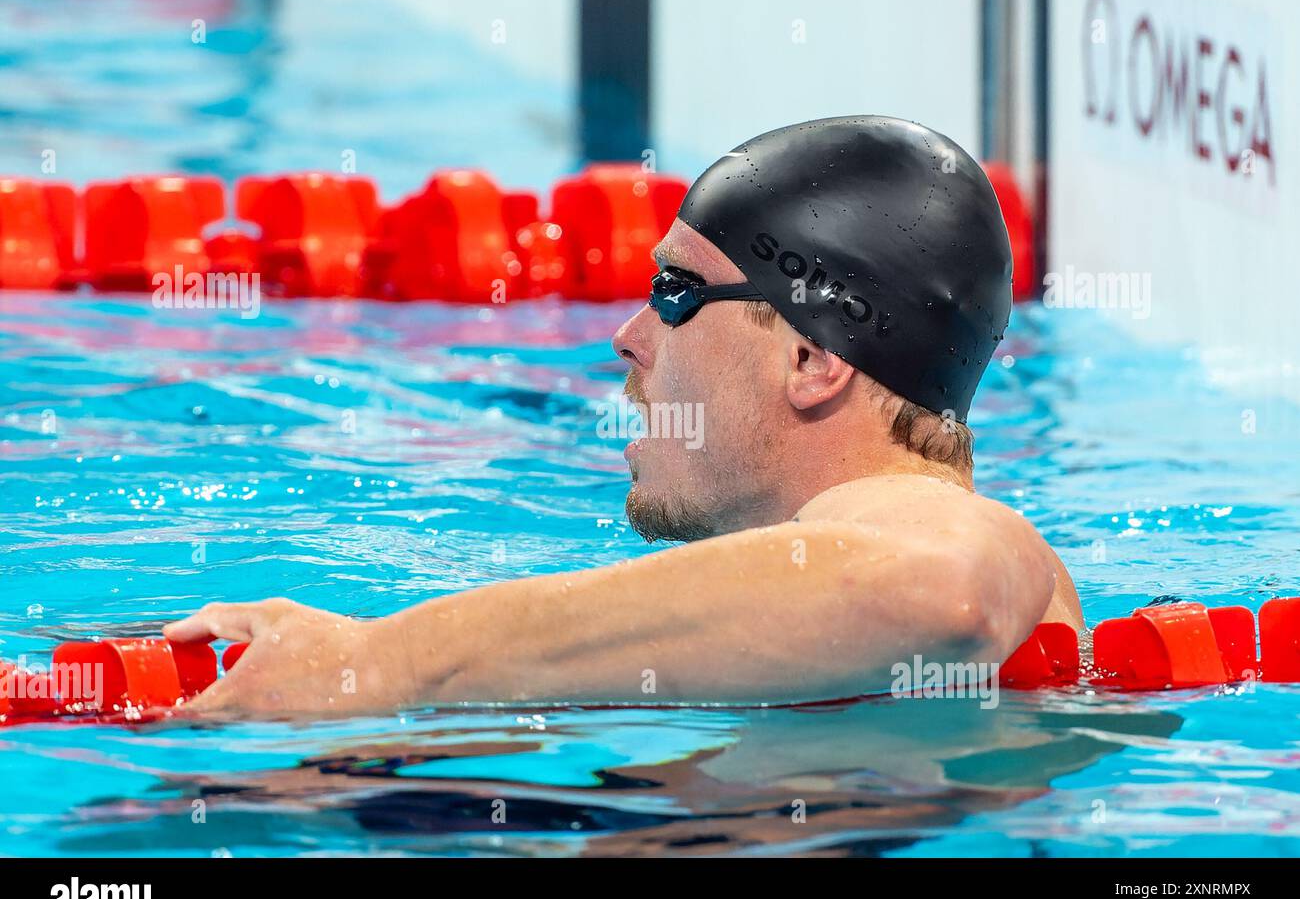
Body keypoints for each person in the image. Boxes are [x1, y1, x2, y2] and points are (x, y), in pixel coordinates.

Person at [165, 116, 1083, 715]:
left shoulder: (943, 532)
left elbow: (940, 589)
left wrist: (377, 664)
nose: (629, 336)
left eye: (676, 292)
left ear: (812, 360)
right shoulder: (815, 605)